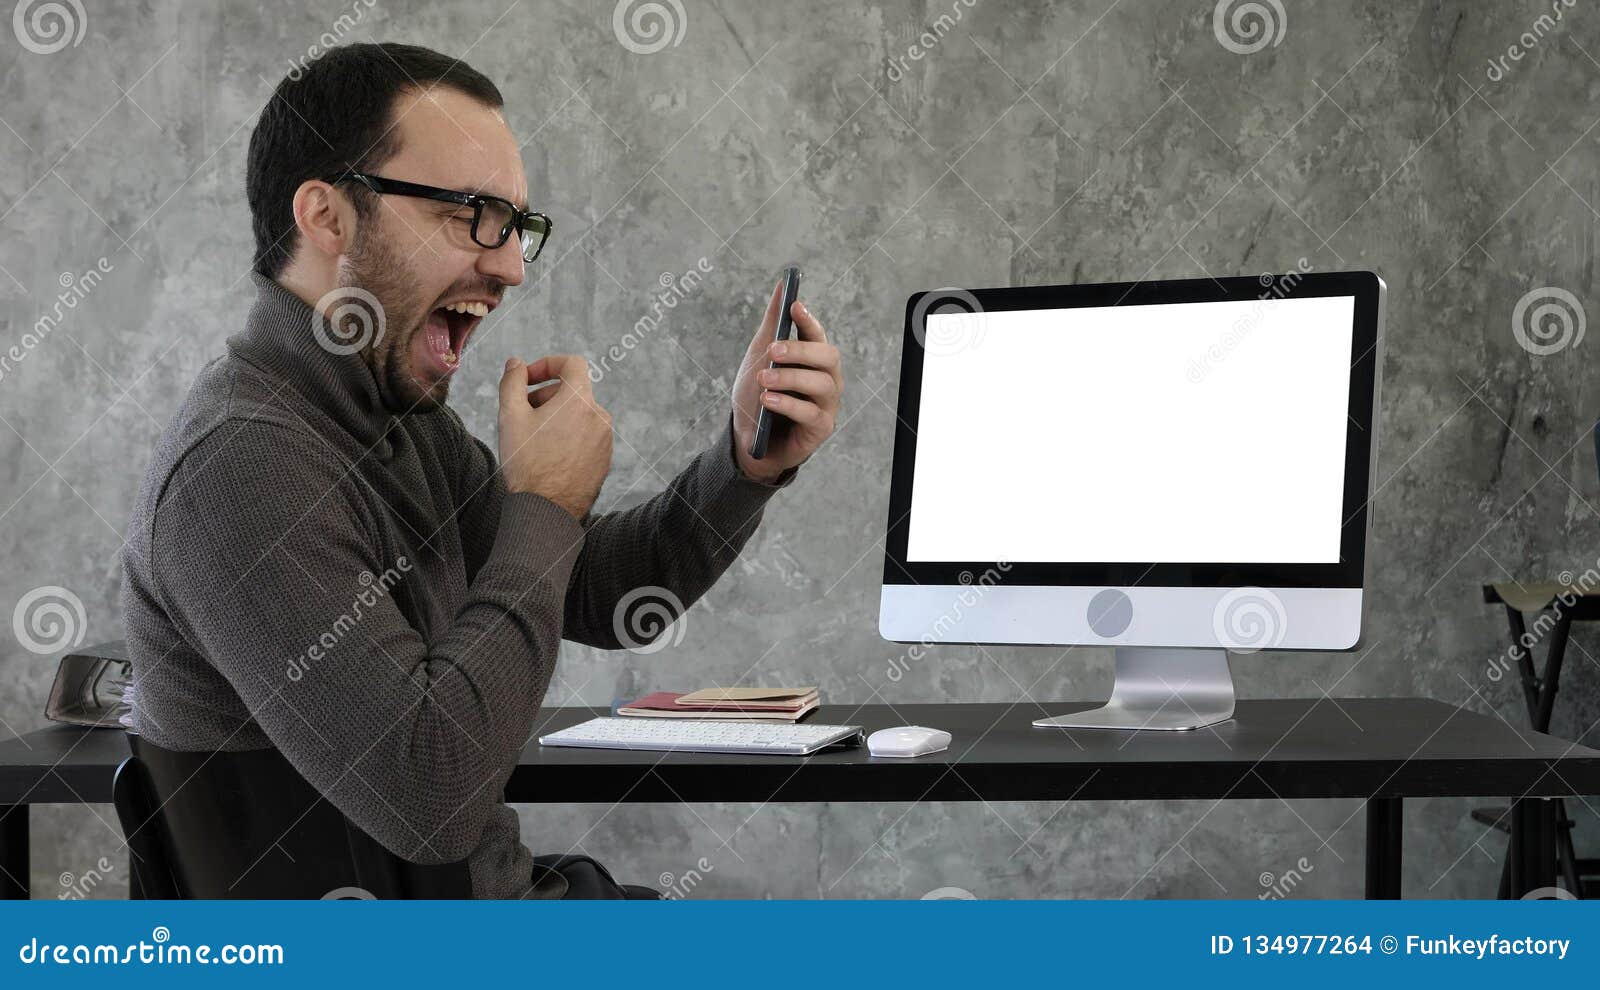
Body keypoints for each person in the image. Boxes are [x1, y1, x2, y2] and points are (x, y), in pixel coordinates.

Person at [118, 42, 844, 899]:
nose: (510, 266)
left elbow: (599, 591)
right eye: (473, 213)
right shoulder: (239, 470)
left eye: (516, 225)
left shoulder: (393, 421)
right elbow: (432, 796)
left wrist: (743, 464)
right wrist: (542, 501)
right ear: (328, 218)